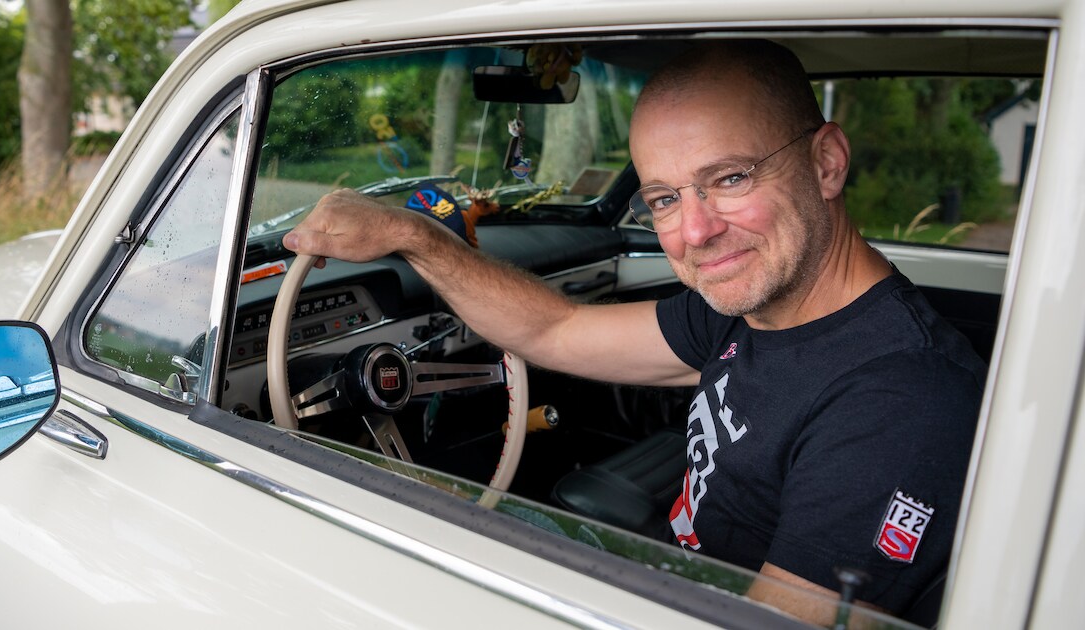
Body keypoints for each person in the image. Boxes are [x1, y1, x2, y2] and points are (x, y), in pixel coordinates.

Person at [282, 39, 985, 625]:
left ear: (826, 162)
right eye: (664, 199)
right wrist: (416, 237)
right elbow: (558, 328)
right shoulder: (750, 302)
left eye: (731, 177)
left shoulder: (901, 404)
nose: (697, 231)